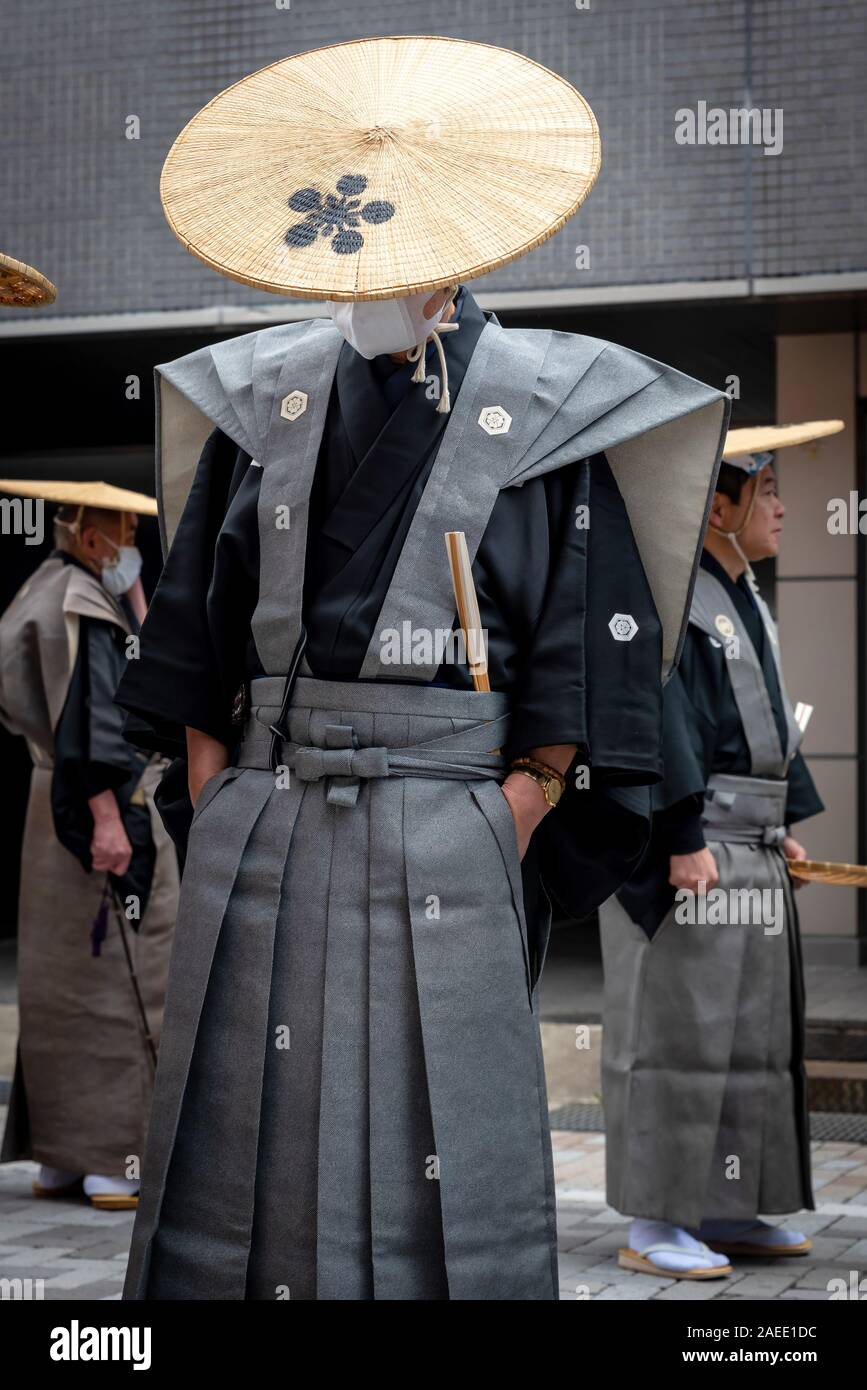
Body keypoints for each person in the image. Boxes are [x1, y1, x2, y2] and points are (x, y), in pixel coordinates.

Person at [115, 36, 729, 1300]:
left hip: (455, 819)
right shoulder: (264, 399)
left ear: (454, 255)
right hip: (266, 818)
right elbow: (195, 634)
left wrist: (515, 809)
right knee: (244, 1153)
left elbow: (587, 656)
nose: (371, 282)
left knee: (433, 1151)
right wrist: (218, 798)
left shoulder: (549, 409)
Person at [600, 420, 842, 1279]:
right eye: (766, 490)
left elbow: (767, 722)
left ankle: (727, 1203)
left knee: (747, 1038)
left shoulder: (741, 595)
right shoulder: (667, 592)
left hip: (751, 841)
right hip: (692, 852)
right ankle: (655, 1220)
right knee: (677, 1037)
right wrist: (680, 833)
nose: (781, 507)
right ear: (714, 505)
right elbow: (655, 723)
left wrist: (788, 815)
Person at [0, 482, 178, 1209]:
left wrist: (135, 599)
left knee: (60, 985)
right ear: (93, 535)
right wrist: (108, 822)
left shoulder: (48, 587)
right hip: (100, 811)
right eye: (124, 533)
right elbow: (94, 729)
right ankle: (114, 1158)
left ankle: (61, 1161)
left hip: (50, 816)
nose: (132, 546)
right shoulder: (80, 606)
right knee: (120, 981)